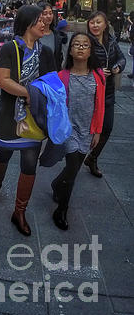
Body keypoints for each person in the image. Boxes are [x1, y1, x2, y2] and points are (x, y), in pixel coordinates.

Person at [0, 5, 53, 236]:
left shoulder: (46, 52)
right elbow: (3, 80)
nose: (45, 23)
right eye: (39, 20)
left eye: (45, 20)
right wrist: (29, 93)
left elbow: (52, 83)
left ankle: (19, 211)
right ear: (26, 24)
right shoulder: (10, 49)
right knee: (3, 153)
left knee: (30, 163)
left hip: (35, 118)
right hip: (9, 114)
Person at [49, 33, 105, 230]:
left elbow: (100, 107)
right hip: (68, 130)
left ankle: (56, 183)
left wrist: (97, 131)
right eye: (76, 45)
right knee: (72, 170)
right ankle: (61, 210)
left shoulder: (98, 76)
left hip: (87, 130)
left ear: (90, 51)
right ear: (70, 50)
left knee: (73, 168)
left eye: (85, 45)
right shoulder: (61, 76)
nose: (81, 48)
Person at [83, 10, 125, 178]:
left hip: (107, 93)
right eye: (92, 22)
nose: (94, 25)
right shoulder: (85, 41)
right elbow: (78, 63)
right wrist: (97, 71)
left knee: (107, 128)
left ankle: (92, 158)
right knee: (85, 132)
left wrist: (117, 68)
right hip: (89, 93)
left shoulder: (112, 42)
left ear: (105, 24)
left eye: (98, 22)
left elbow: (122, 58)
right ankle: (72, 165)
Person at [37, 1, 66, 72]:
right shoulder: (34, 35)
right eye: (45, 13)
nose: (48, 16)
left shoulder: (57, 35)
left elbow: (59, 59)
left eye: (50, 13)